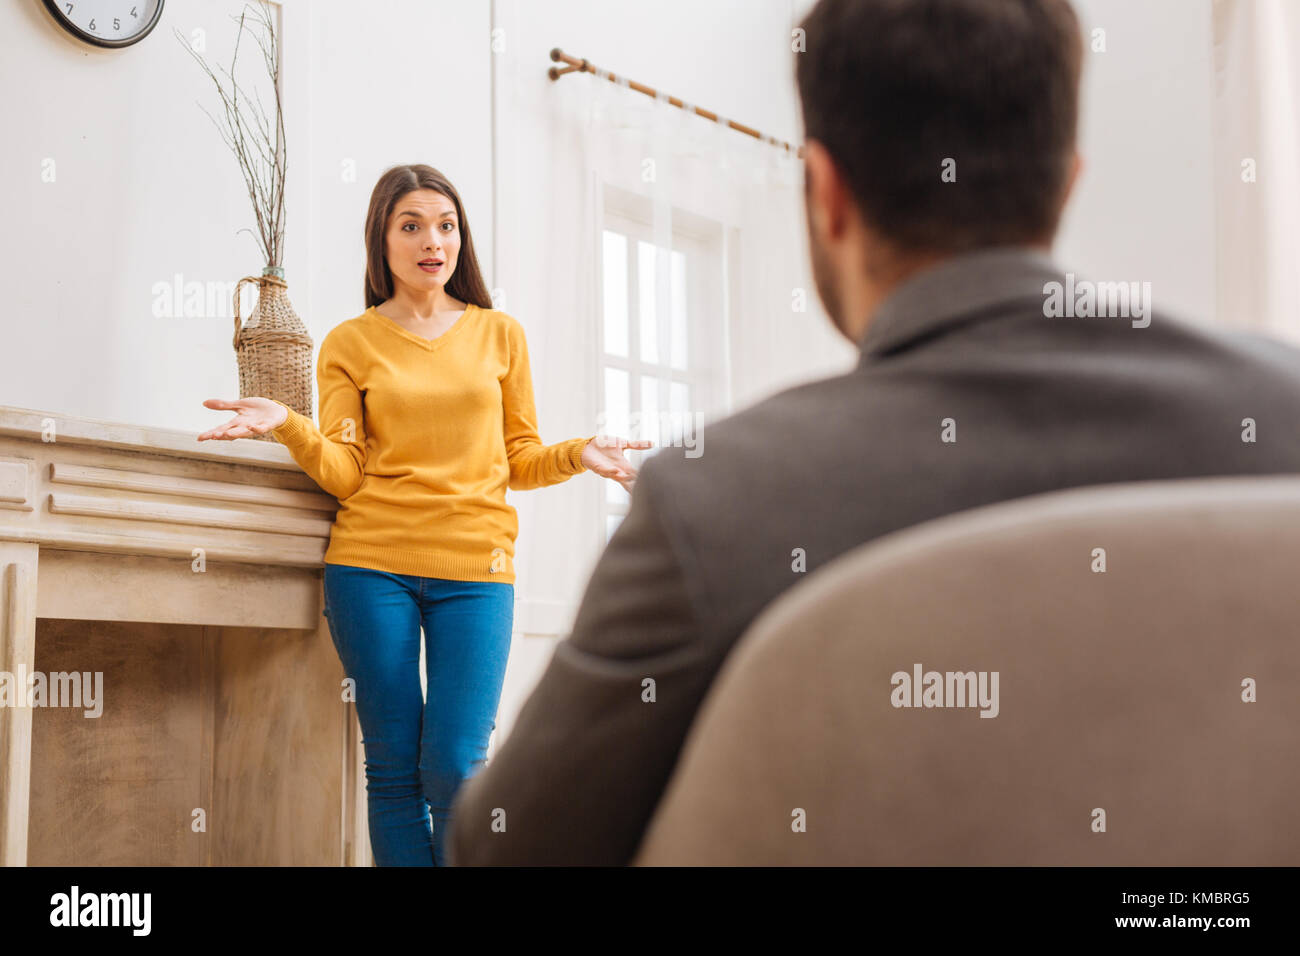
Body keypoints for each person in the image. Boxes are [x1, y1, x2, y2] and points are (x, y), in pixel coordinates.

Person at [446, 0, 1300, 866]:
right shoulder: (1283, 419)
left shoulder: (714, 504)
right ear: (1068, 181)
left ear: (825, 192)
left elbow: (504, 850)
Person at [198, 163, 647, 866]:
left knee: (457, 765)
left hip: (477, 569)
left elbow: (520, 457)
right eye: (411, 226)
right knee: (394, 769)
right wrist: (287, 422)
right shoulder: (349, 343)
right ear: (382, 240)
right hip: (370, 568)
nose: (432, 240)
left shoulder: (501, 335)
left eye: (446, 225)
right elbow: (347, 472)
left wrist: (579, 452)